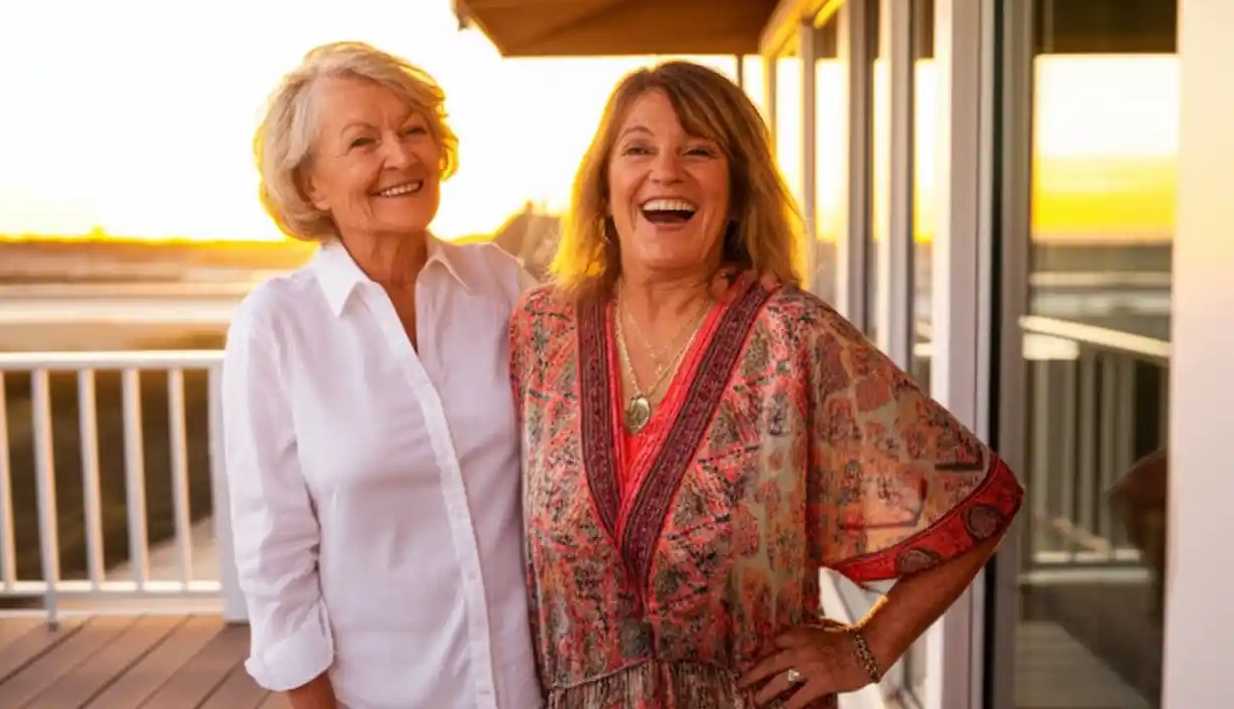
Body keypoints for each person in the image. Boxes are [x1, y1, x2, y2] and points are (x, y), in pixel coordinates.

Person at [508, 60, 1024, 708]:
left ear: (737, 191)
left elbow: (978, 502)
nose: (665, 170)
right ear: (603, 186)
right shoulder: (540, 331)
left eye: (699, 150)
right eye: (638, 148)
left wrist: (866, 649)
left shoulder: (792, 336)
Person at [223, 41, 541, 709]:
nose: (401, 156)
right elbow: (274, 558)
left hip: (529, 689)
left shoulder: (501, 285)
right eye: (363, 141)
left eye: (414, 130)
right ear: (312, 183)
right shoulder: (277, 326)